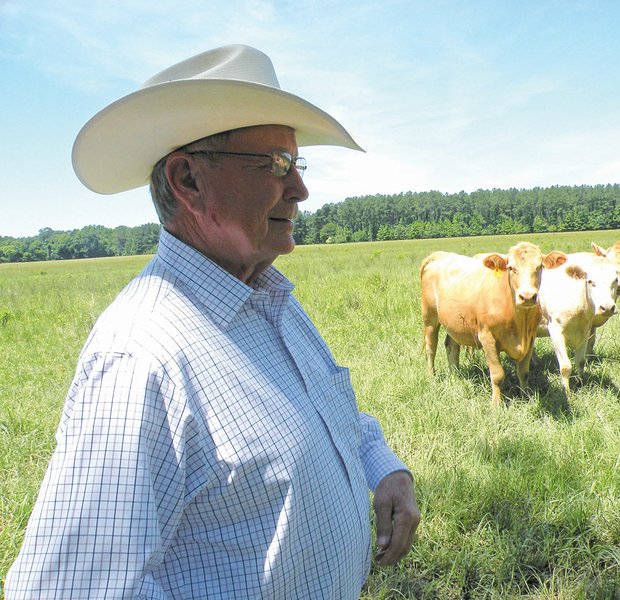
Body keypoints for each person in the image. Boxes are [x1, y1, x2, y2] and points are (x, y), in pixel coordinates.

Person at [5, 44, 420, 599]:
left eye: (297, 165)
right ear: (188, 181)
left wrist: (385, 468)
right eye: (276, 164)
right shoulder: (141, 361)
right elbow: (71, 589)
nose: (300, 189)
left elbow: (331, 413)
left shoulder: (268, 298)